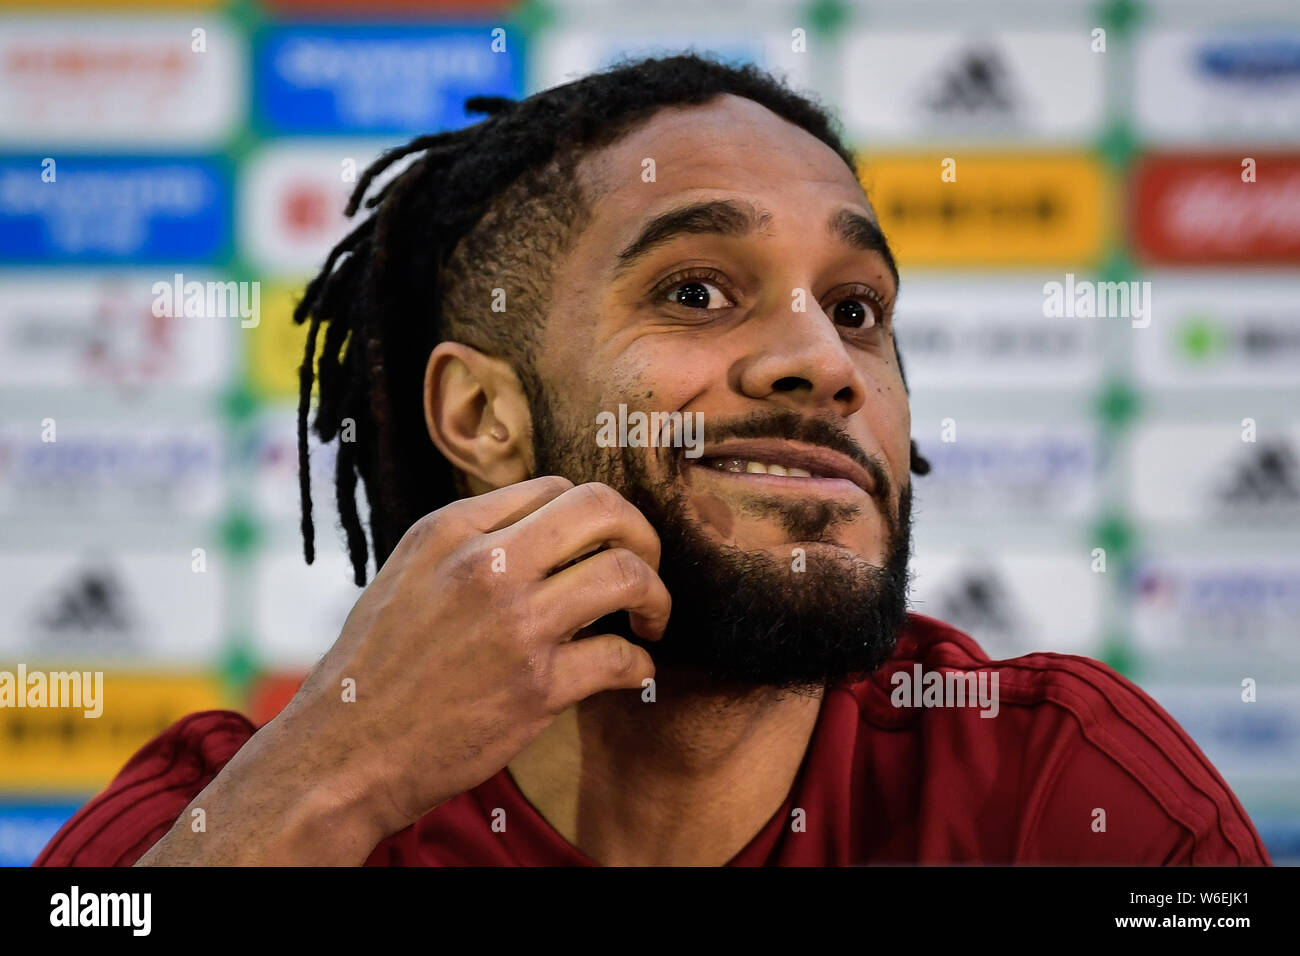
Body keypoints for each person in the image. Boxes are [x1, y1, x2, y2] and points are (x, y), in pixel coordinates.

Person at [36, 54, 1269, 866]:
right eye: (695, 289)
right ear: (481, 415)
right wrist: (322, 789)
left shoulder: (1059, 789)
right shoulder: (228, 808)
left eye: (856, 308)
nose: (822, 362)